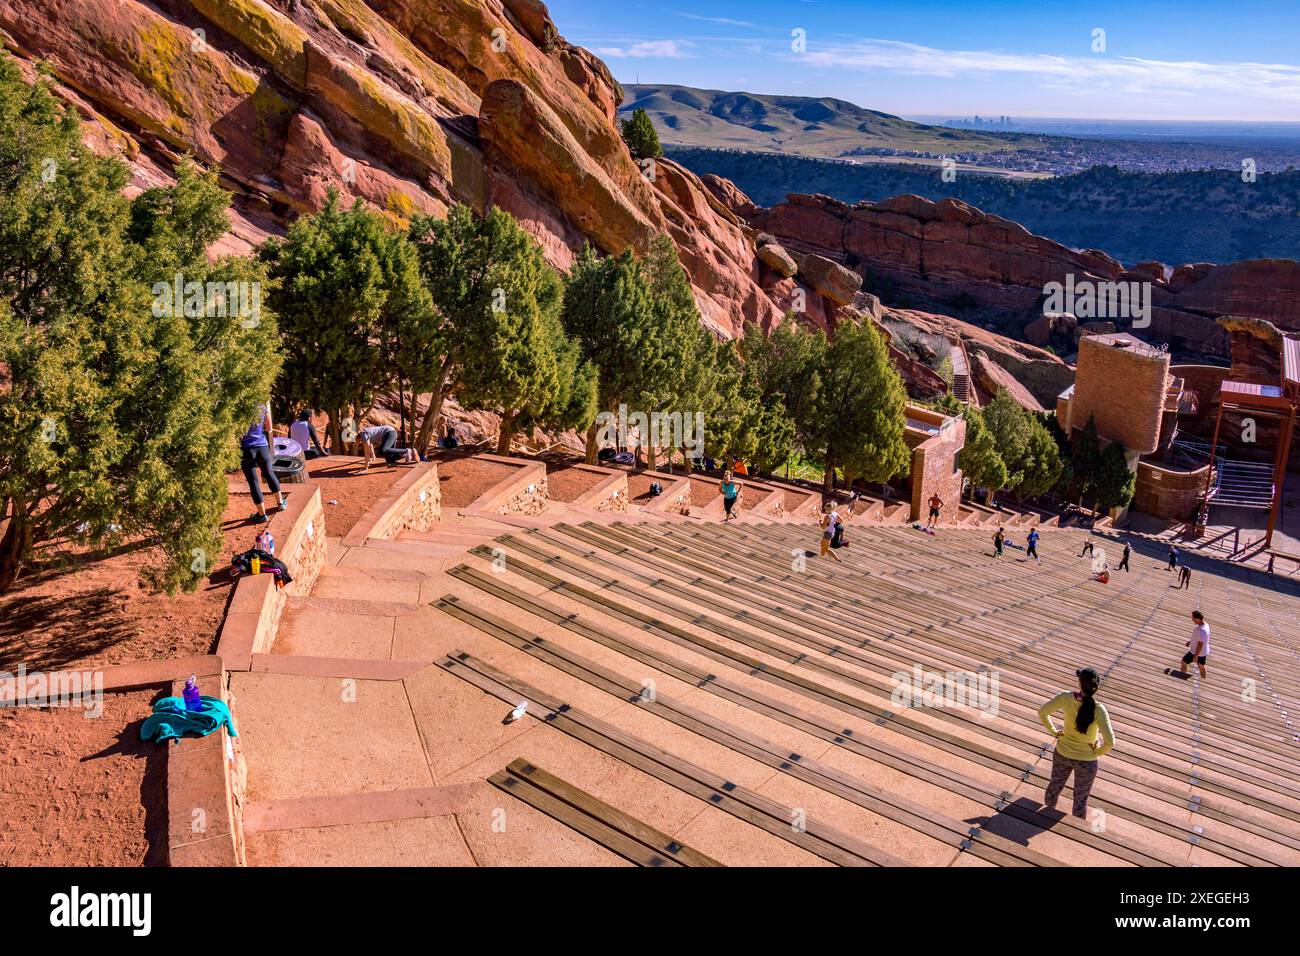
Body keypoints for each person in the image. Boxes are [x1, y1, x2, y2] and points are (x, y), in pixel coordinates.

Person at [1037, 667, 1115, 819]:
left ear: (1079, 683)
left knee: (1054, 787)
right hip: (1087, 761)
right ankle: (1077, 830)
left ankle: (1044, 816)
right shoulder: (1099, 710)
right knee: (1080, 799)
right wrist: (1097, 752)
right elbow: (1110, 742)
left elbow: (1042, 712)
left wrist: (1054, 732)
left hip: (1062, 753)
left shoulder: (1066, 698)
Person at [239, 401, 286, 524]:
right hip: (262, 447)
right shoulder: (262, 406)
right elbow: (269, 428)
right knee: (270, 473)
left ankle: (262, 515)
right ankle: (280, 503)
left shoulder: (239, 407)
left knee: (253, 482)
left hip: (247, 448)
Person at [1181, 611, 1210, 679]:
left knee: (1184, 662)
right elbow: (1199, 639)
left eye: (1193, 618)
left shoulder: (1202, 630)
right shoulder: (1206, 624)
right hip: (1203, 652)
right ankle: (1204, 680)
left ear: (1198, 619)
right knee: (1201, 666)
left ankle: (1182, 677)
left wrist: (1196, 656)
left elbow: (1200, 644)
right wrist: (1190, 642)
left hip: (1196, 652)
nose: (1192, 620)